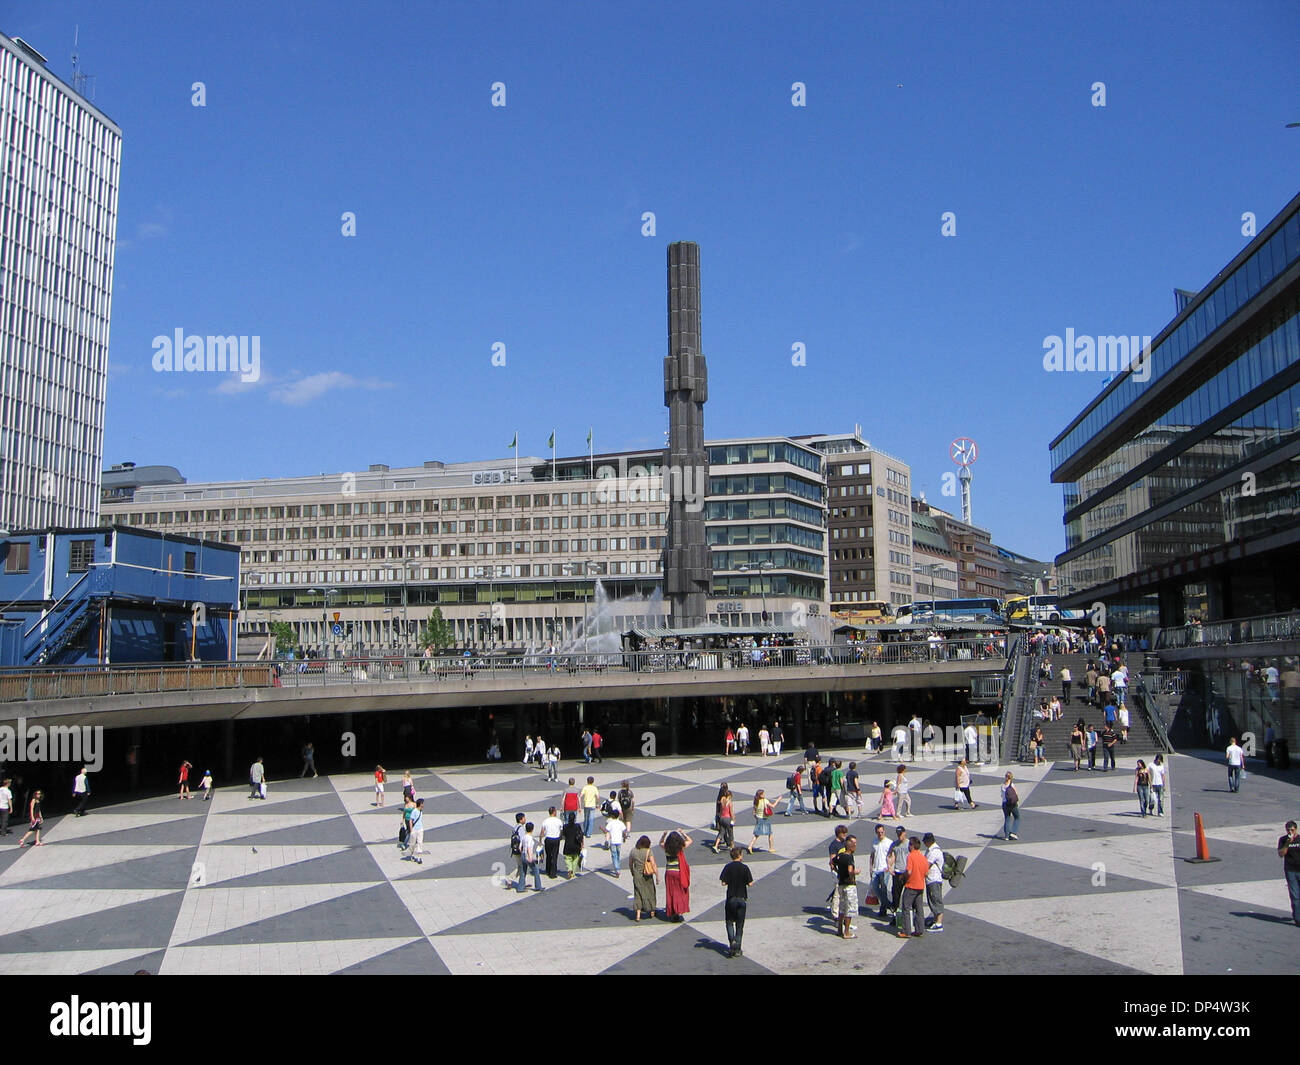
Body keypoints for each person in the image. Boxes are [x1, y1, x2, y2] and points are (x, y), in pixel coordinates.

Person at [720, 846, 754, 957]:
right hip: (741, 899)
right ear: (739, 856)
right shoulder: (745, 868)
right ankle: (738, 948)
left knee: (729, 922)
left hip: (730, 898)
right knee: (740, 925)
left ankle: (732, 942)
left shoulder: (727, 867)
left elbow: (723, 883)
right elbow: (750, 883)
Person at [898, 837, 928, 938]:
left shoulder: (911, 856)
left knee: (906, 907)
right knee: (919, 909)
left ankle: (906, 931)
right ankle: (920, 930)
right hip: (920, 886)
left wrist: (903, 876)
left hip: (911, 885)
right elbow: (926, 873)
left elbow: (909, 871)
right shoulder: (923, 858)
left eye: (909, 844)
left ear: (912, 846)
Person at [661, 830, 693, 921]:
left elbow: (661, 843)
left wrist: (664, 835)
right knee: (679, 892)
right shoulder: (681, 848)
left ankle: (673, 911)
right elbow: (690, 840)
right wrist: (683, 833)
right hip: (679, 872)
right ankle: (679, 910)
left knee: (671, 892)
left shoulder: (666, 848)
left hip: (669, 873)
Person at [833, 835, 859, 940]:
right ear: (850, 846)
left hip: (841, 884)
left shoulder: (840, 856)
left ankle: (839, 930)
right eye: (854, 844)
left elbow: (832, 863)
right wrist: (855, 872)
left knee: (842, 908)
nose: (856, 845)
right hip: (849, 886)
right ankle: (847, 932)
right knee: (850, 909)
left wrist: (838, 872)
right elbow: (850, 871)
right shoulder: (849, 857)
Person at [630, 835, 658, 921]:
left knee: (638, 893)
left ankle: (638, 914)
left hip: (637, 875)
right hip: (647, 875)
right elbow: (653, 864)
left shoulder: (633, 851)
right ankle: (652, 910)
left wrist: (632, 872)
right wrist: (657, 875)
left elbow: (630, 864)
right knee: (650, 891)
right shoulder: (648, 851)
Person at [870, 823, 894, 921]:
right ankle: (888, 904)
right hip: (876, 868)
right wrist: (870, 867)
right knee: (875, 888)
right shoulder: (874, 842)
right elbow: (872, 855)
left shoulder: (889, 842)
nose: (880, 834)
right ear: (876, 833)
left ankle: (883, 908)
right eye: (879, 832)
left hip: (885, 869)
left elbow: (893, 856)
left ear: (884, 831)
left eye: (882, 832)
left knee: (884, 889)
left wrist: (889, 866)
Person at [1279, 820, 1300, 928]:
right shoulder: (1283, 840)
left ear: (1296, 829)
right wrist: (1288, 842)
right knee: (1295, 895)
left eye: (1292, 830)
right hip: (1290, 870)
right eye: (1288, 830)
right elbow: (1281, 854)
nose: (1290, 832)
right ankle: (1298, 918)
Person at [923, 832, 945, 932]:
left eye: (925, 841)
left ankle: (939, 923)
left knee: (936, 900)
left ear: (929, 841)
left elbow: (926, 865)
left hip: (934, 880)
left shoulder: (934, 851)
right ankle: (936, 920)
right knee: (932, 900)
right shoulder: (930, 849)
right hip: (931, 880)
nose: (924, 843)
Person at [888, 825, 910, 919]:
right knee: (896, 894)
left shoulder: (910, 843)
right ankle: (895, 915)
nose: (899, 836)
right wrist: (889, 867)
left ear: (905, 833)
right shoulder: (894, 844)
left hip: (907, 872)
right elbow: (892, 856)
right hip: (897, 872)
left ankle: (908, 915)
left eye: (901, 834)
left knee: (909, 895)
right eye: (898, 834)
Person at [517, 822, 543, 891]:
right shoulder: (530, 838)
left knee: (523, 871)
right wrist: (530, 858)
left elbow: (520, 847)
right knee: (536, 871)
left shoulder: (524, 837)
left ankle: (520, 887)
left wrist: (523, 853)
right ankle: (538, 886)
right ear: (532, 829)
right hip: (528, 856)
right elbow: (529, 848)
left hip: (523, 855)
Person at [540, 806, 564, 878]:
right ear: (554, 812)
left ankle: (548, 870)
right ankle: (553, 873)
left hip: (548, 839)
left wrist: (540, 840)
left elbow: (542, 832)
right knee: (554, 856)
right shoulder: (558, 821)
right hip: (556, 839)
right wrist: (560, 837)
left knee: (548, 855)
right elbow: (561, 830)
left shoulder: (545, 821)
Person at [560, 811, 585, 879]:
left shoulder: (565, 826)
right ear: (574, 818)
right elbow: (581, 835)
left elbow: (563, 836)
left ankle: (569, 869)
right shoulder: (577, 826)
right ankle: (573, 872)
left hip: (568, 845)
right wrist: (582, 844)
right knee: (575, 859)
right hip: (576, 845)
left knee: (568, 858)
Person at [605, 808, 628, 876]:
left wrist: (601, 829)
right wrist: (624, 838)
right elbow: (624, 831)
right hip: (619, 841)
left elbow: (606, 831)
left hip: (613, 841)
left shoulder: (610, 823)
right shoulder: (621, 823)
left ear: (612, 816)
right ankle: (618, 867)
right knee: (618, 855)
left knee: (614, 855)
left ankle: (617, 869)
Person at [712, 785, 734, 854]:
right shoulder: (730, 803)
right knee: (730, 833)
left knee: (721, 832)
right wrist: (733, 819)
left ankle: (716, 845)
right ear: (730, 796)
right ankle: (732, 846)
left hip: (722, 818)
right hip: (727, 819)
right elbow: (731, 813)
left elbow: (721, 810)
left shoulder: (722, 801)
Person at [1000, 772, 1020, 840]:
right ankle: (1013, 832)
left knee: (1007, 819)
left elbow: (1002, 795)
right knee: (1017, 817)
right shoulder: (1012, 785)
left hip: (1004, 804)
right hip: (1012, 804)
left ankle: (1006, 836)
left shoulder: (1002, 785)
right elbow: (1016, 794)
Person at [407, 798, 426, 863]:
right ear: (420, 804)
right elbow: (411, 820)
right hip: (414, 829)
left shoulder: (421, 811)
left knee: (420, 843)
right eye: (422, 803)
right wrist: (411, 829)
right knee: (412, 844)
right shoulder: (414, 811)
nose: (423, 805)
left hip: (420, 829)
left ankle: (419, 857)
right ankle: (411, 854)